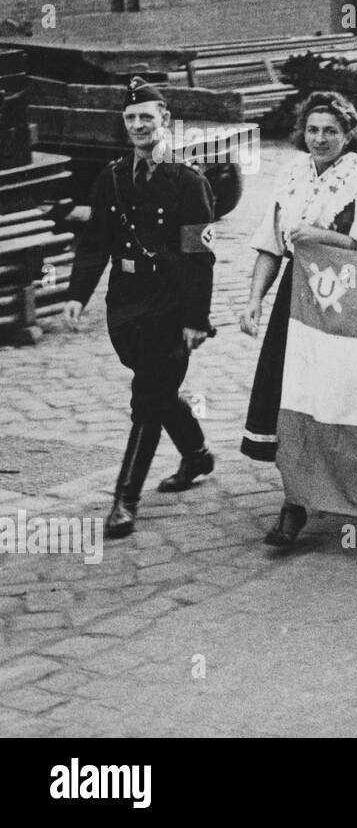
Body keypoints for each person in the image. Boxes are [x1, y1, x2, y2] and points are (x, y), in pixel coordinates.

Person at [239, 91, 357, 546]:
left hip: (346, 295)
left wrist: (321, 235)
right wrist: (254, 299)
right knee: (291, 391)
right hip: (296, 293)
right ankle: (295, 500)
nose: (320, 138)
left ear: (349, 134)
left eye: (331, 130)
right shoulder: (291, 174)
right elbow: (272, 244)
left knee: (336, 395)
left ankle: (345, 487)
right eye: (312, 130)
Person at [63, 78, 216, 539]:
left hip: (171, 305)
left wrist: (196, 319)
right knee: (157, 388)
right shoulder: (112, 177)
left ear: (164, 121)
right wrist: (76, 293)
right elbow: (95, 243)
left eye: (146, 117)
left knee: (147, 398)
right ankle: (196, 454)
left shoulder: (189, 180)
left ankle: (124, 499)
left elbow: (199, 256)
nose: (138, 125)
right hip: (126, 305)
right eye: (130, 119)